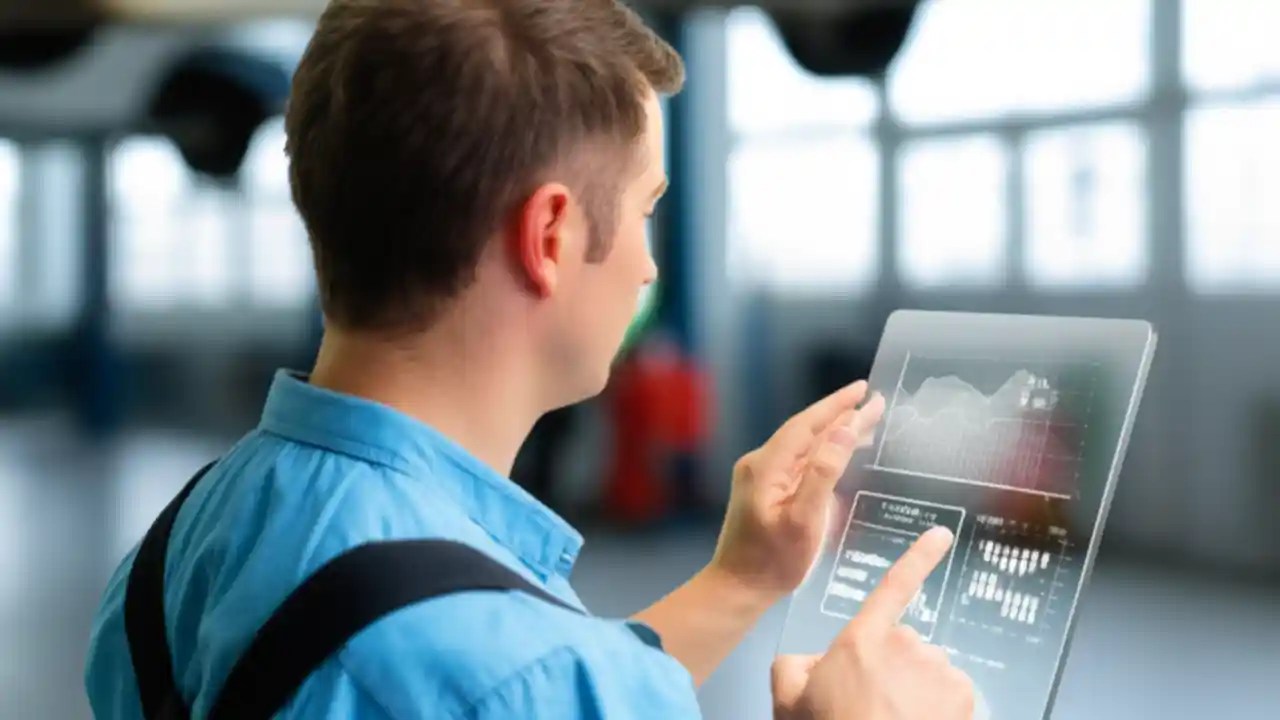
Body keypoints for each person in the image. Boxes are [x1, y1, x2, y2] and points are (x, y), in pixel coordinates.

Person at [85, 1, 975, 718]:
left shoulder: (178, 547)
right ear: (548, 235)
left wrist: (742, 578)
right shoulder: (525, 676)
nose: (648, 263)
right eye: (643, 208)